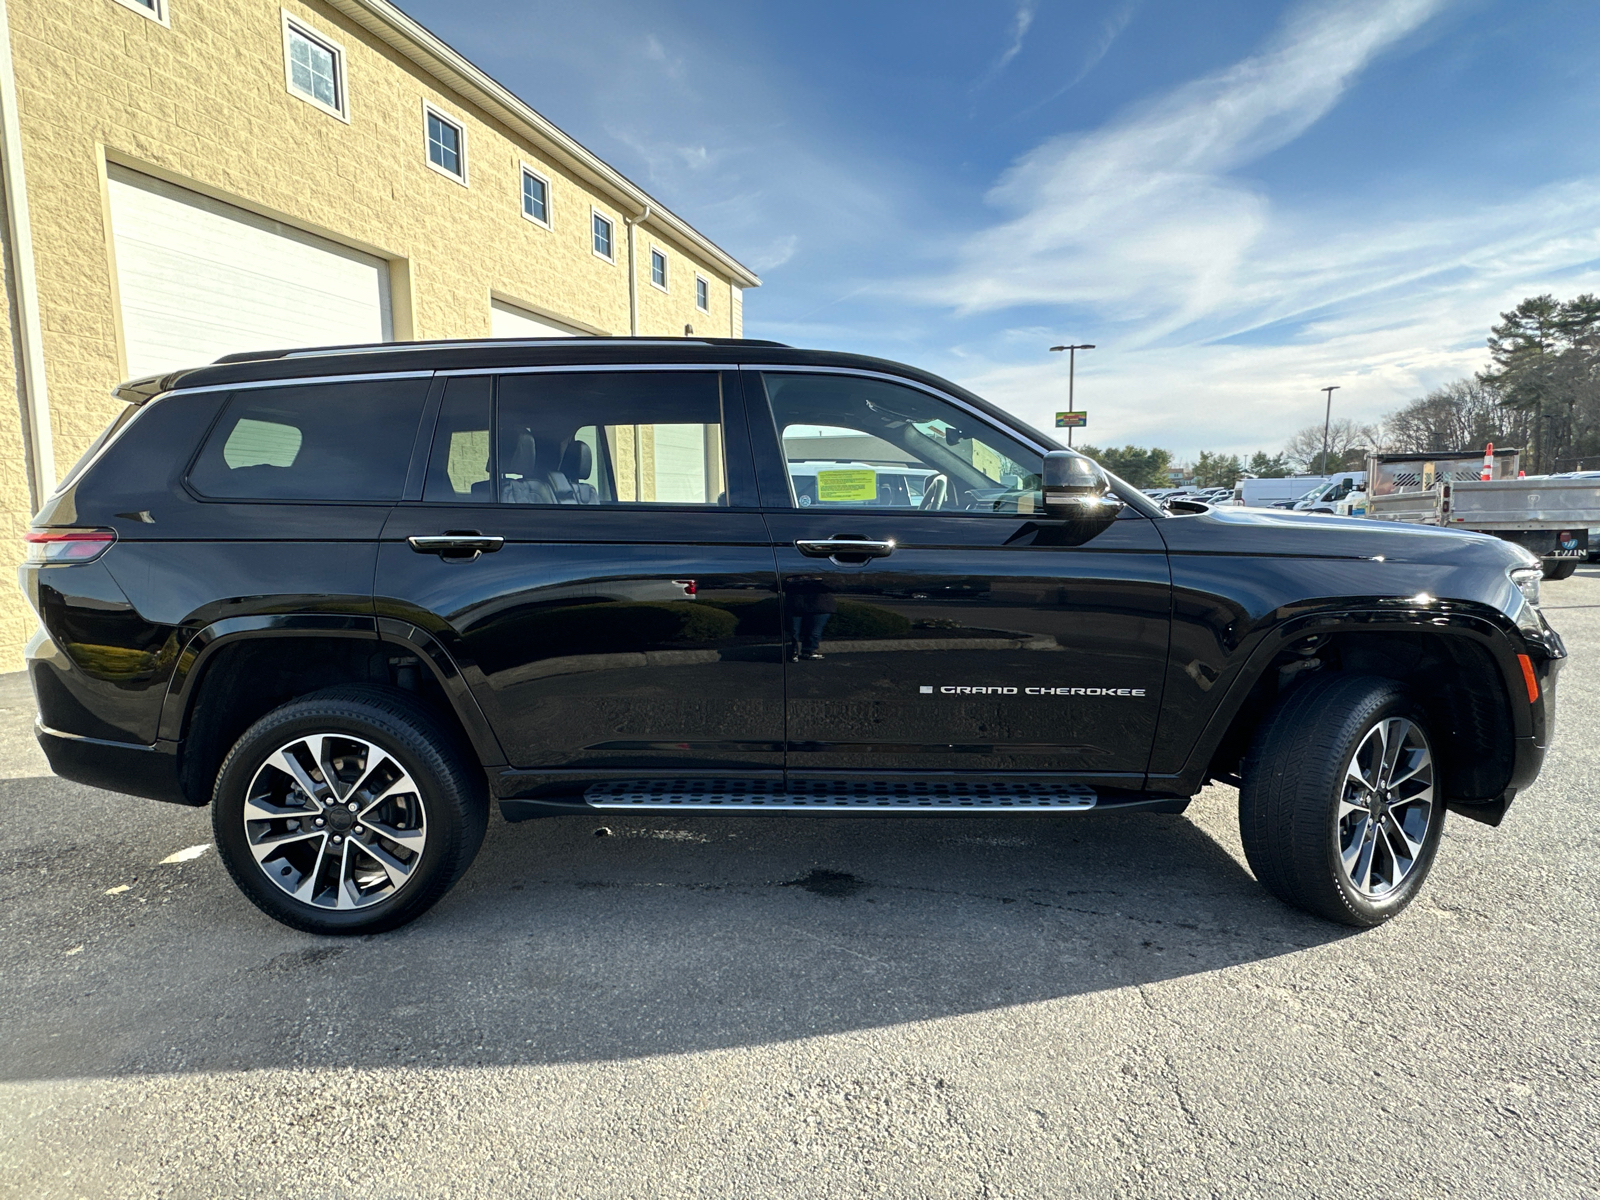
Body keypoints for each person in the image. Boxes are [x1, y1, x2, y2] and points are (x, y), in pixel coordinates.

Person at [785, 575, 837, 661]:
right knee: (794, 631)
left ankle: (809, 651)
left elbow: (835, 586)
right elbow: (776, 586)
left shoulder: (822, 574)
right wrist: (789, 581)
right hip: (796, 606)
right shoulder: (791, 574)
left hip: (819, 607)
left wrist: (818, 580)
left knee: (814, 632)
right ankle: (794, 652)